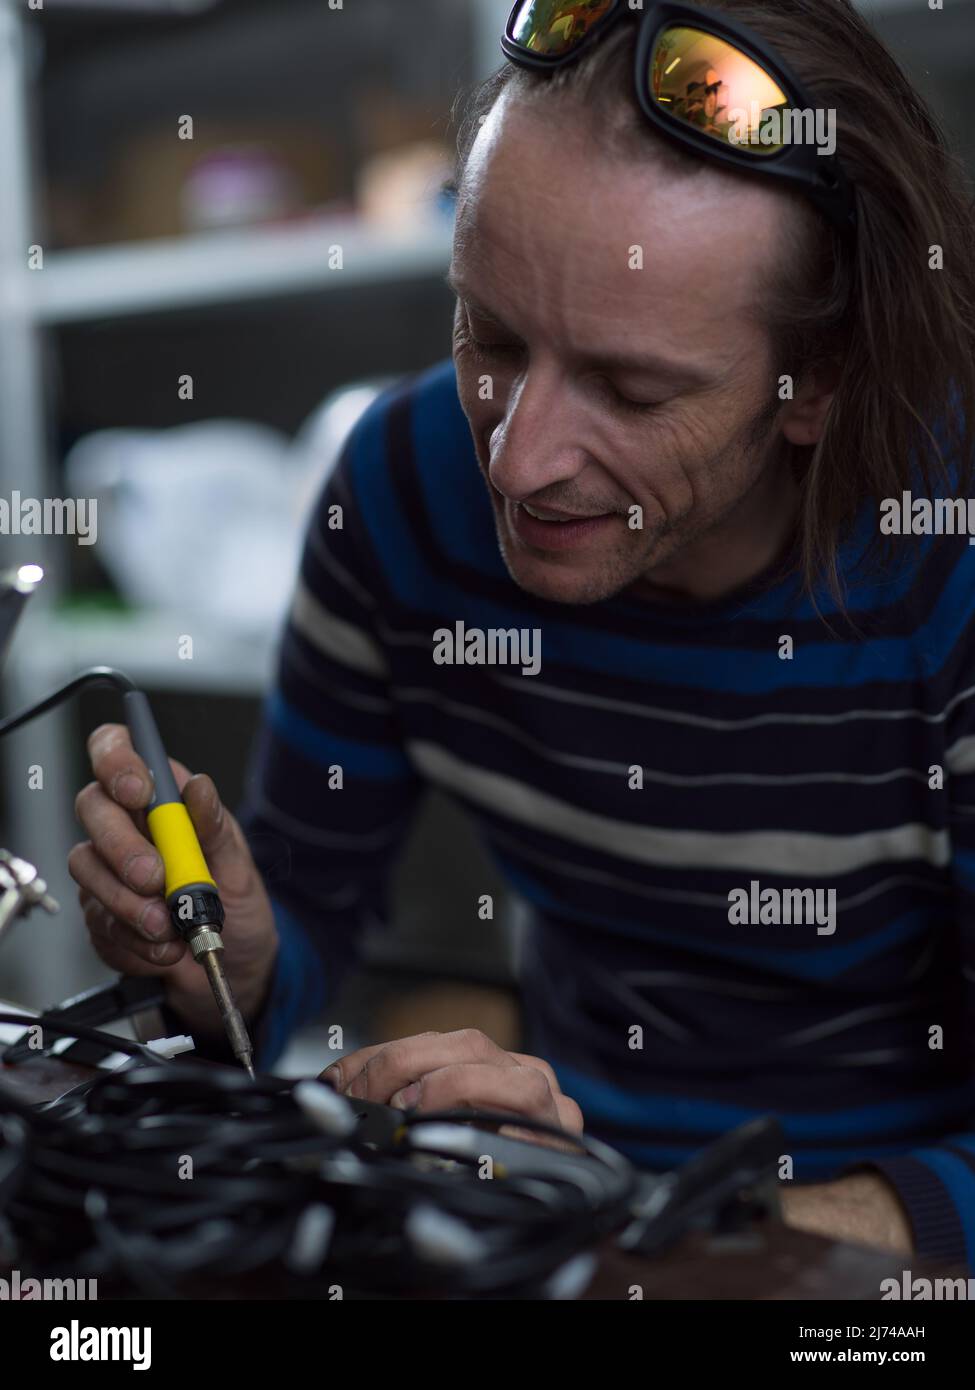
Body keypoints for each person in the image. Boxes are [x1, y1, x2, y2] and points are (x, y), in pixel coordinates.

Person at [69, 0, 975, 1264]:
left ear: (818, 381)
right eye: (490, 336)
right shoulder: (399, 494)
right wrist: (236, 947)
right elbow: (300, 921)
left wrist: (667, 1235)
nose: (519, 457)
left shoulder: (950, 559)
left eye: (633, 388)